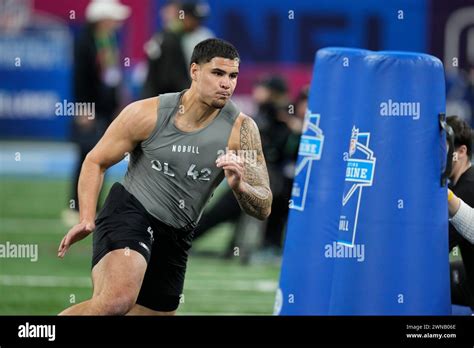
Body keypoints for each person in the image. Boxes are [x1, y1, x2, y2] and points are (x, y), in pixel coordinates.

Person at [57, 38, 272, 315]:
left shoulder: (242, 131)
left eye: (233, 76)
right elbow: (95, 161)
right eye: (217, 73)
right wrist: (87, 217)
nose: (226, 84)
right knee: (116, 301)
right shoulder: (147, 113)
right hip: (131, 211)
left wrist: (240, 186)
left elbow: (264, 205)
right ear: (194, 71)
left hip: (177, 233)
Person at [62, 0, 130, 225]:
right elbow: (80, 78)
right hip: (90, 109)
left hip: (105, 108)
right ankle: (76, 206)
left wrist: (118, 100)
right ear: (101, 18)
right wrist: (83, 108)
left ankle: (94, 206)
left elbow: (112, 75)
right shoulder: (85, 42)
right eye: (113, 18)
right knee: (87, 157)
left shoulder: (107, 40)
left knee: (102, 157)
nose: (118, 23)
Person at [141, 1, 214, 97]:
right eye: (193, 19)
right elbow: (164, 77)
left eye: (199, 20)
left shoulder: (202, 36)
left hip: (185, 95)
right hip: (166, 98)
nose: (196, 23)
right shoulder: (167, 38)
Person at [446, 115, 474, 309]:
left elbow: (439, 244)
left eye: (445, 149)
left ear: (461, 151)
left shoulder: (468, 189)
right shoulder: (462, 186)